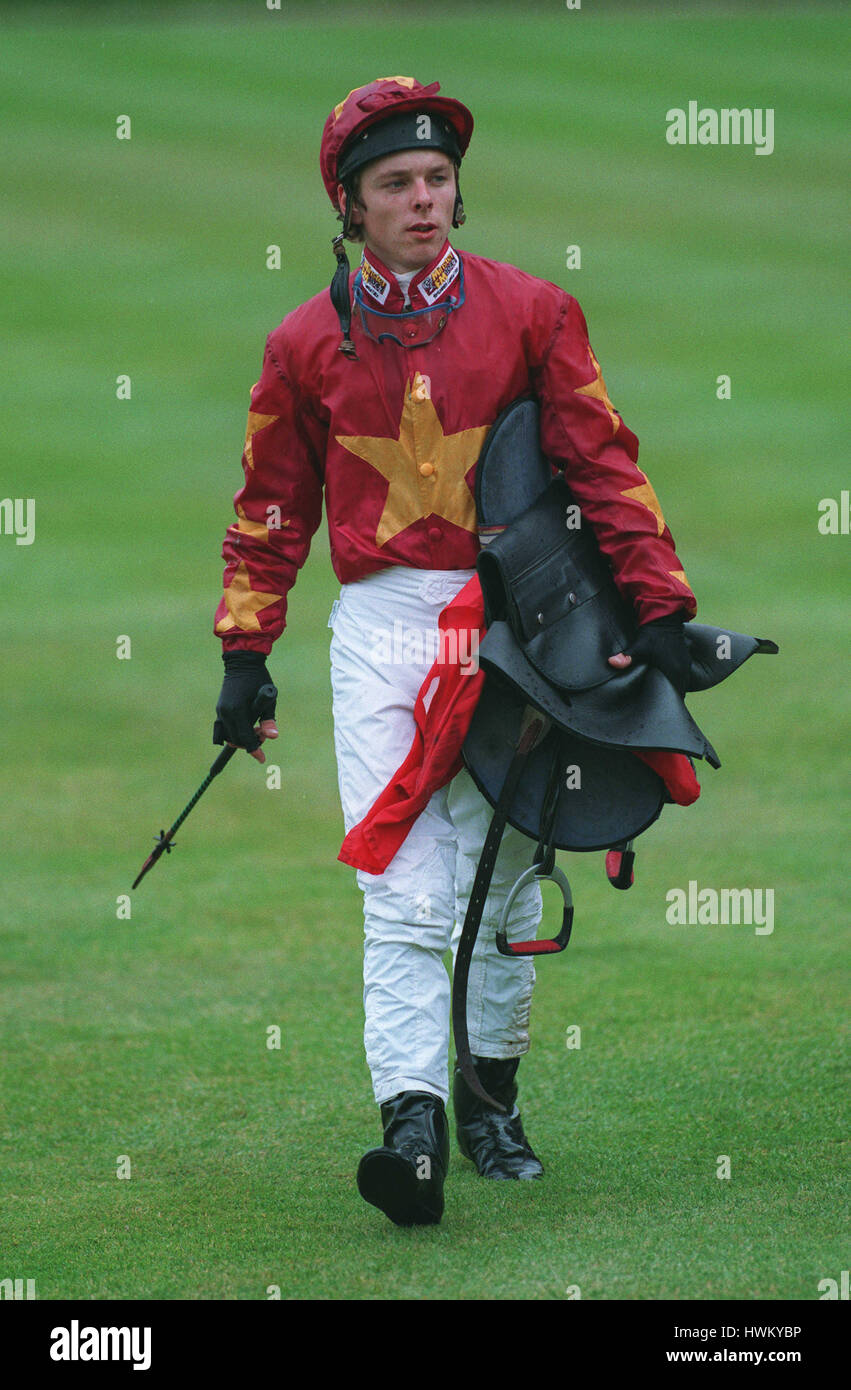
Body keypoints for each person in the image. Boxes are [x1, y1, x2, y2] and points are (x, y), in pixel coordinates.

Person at [212, 76, 696, 1228]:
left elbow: (601, 466)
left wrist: (659, 606)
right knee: (402, 895)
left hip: (514, 637)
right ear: (351, 203)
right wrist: (245, 652)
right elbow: (269, 508)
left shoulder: (533, 310)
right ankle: (414, 1132)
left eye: (436, 180)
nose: (423, 200)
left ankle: (493, 1110)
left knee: (500, 885)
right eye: (396, 185)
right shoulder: (299, 343)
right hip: (378, 635)